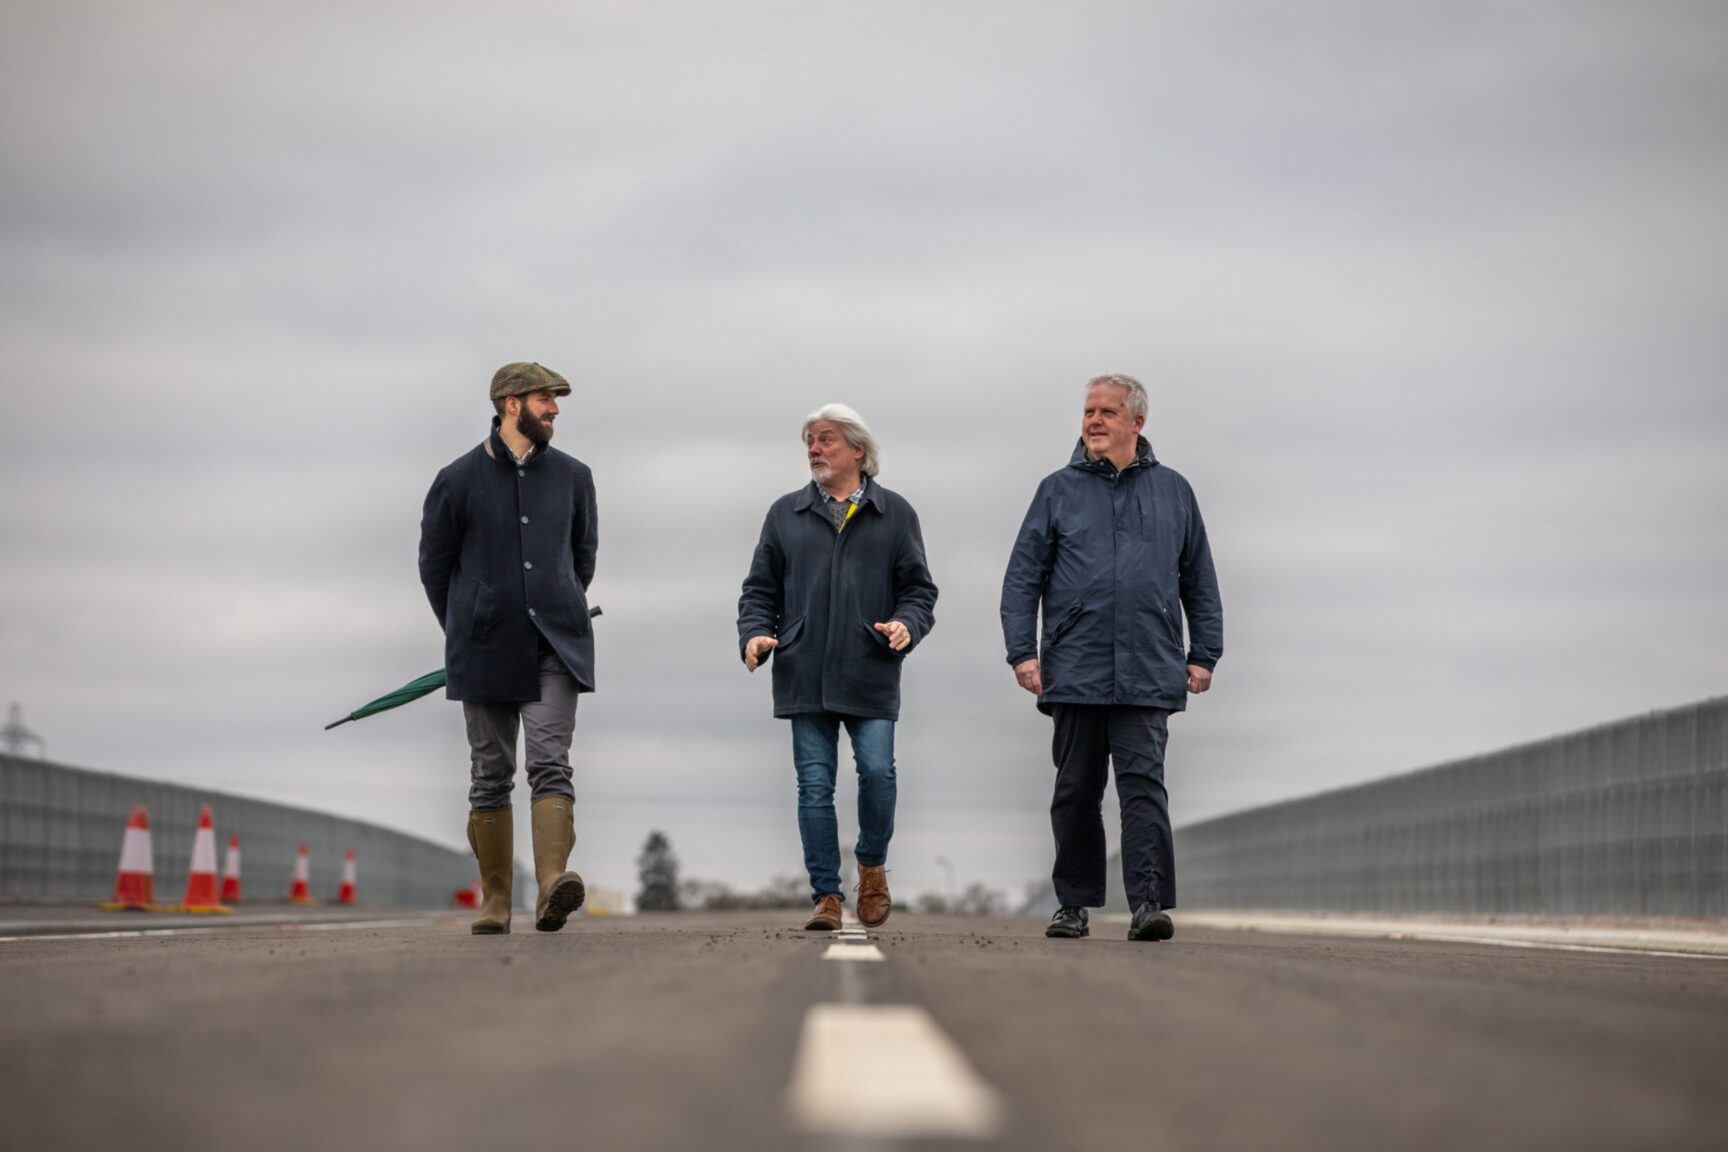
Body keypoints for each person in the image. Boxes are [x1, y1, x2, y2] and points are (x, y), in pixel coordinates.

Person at [1000, 374, 1223, 943]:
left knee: (1144, 787)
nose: (1093, 421)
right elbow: (1022, 577)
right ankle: (1072, 905)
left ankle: (1148, 903)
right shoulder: (1057, 490)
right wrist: (1023, 652)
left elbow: (1199, 577)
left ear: (1136, 422)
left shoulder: (1174, 491)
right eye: (1088, 411)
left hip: (1150, 666)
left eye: (1106, 412)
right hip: (1074, 667)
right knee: (1076, 789)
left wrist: (1204, 654)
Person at [737, 404, 938, 931]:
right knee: (814, 785)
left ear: (857, 449)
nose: (814, 449)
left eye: (825, 439)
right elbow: (759, 590)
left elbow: (919, 591)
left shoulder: (895, 514)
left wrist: (906, 625)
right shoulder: (786, 514)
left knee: (877, 772)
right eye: (809, 441)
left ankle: (871, 867)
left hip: (871, 666)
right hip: (803, 668)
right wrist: (755, 635)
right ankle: (826, 895)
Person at [419, 361, 597, 935]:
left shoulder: (575, 477)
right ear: (510, 403)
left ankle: (551, 887)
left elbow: (581, 558)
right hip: (485, 646)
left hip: (555, 645)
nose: (555, 409)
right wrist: (466, 624)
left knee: (550, 764)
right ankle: (495, 900)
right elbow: (435, 567)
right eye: (547, 399)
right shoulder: (456, 479)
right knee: (490, 774)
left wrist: (556, 600)